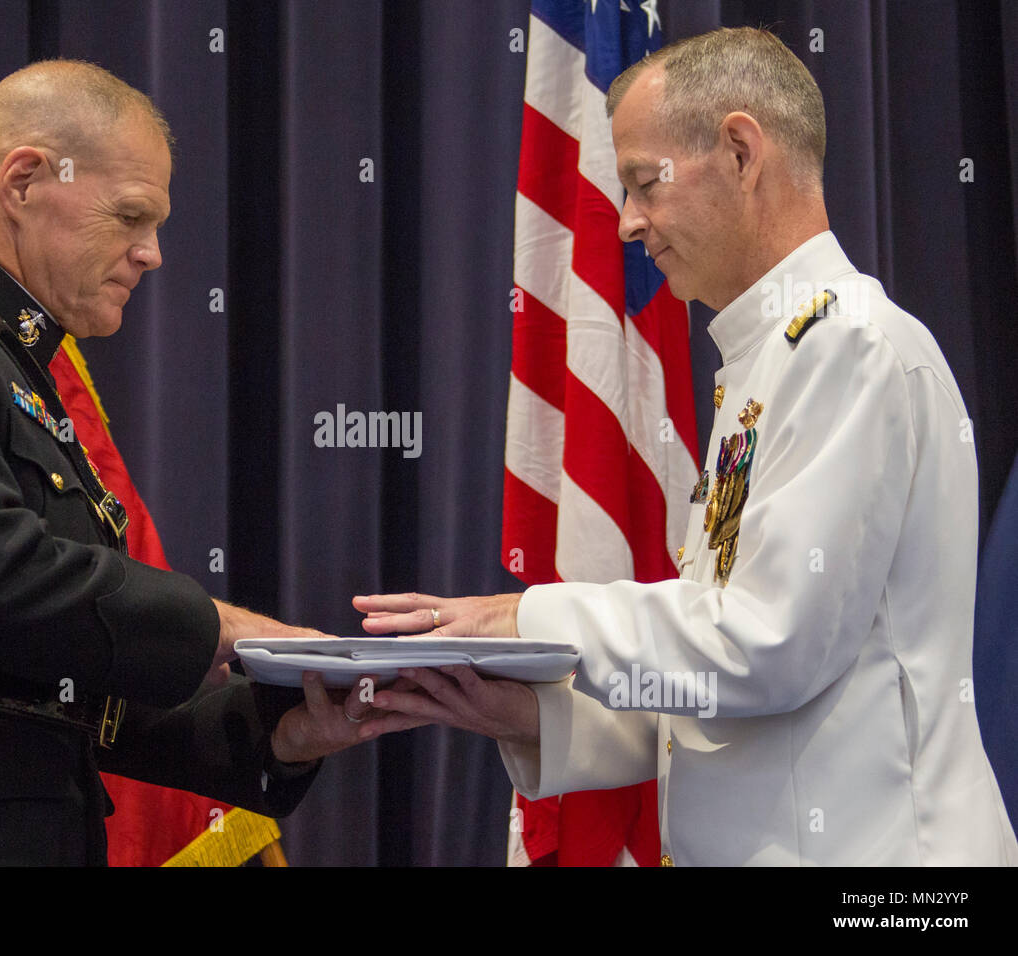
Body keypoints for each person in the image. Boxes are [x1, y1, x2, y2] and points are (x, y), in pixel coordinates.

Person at [355, 27, 1018, 865]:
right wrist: (529, 713)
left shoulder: (847, 345)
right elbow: (737, 696)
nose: (627, 224)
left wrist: (526, 616)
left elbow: (764, 648)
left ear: (742, 151)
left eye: (643, 183)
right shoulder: (769, 360)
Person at [0, 60, 417, 866]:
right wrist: (219, 627)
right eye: (130, 216)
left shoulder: (4, 364)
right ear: (23, 180)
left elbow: (55, 677)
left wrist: (278, 734)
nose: (153, 254)